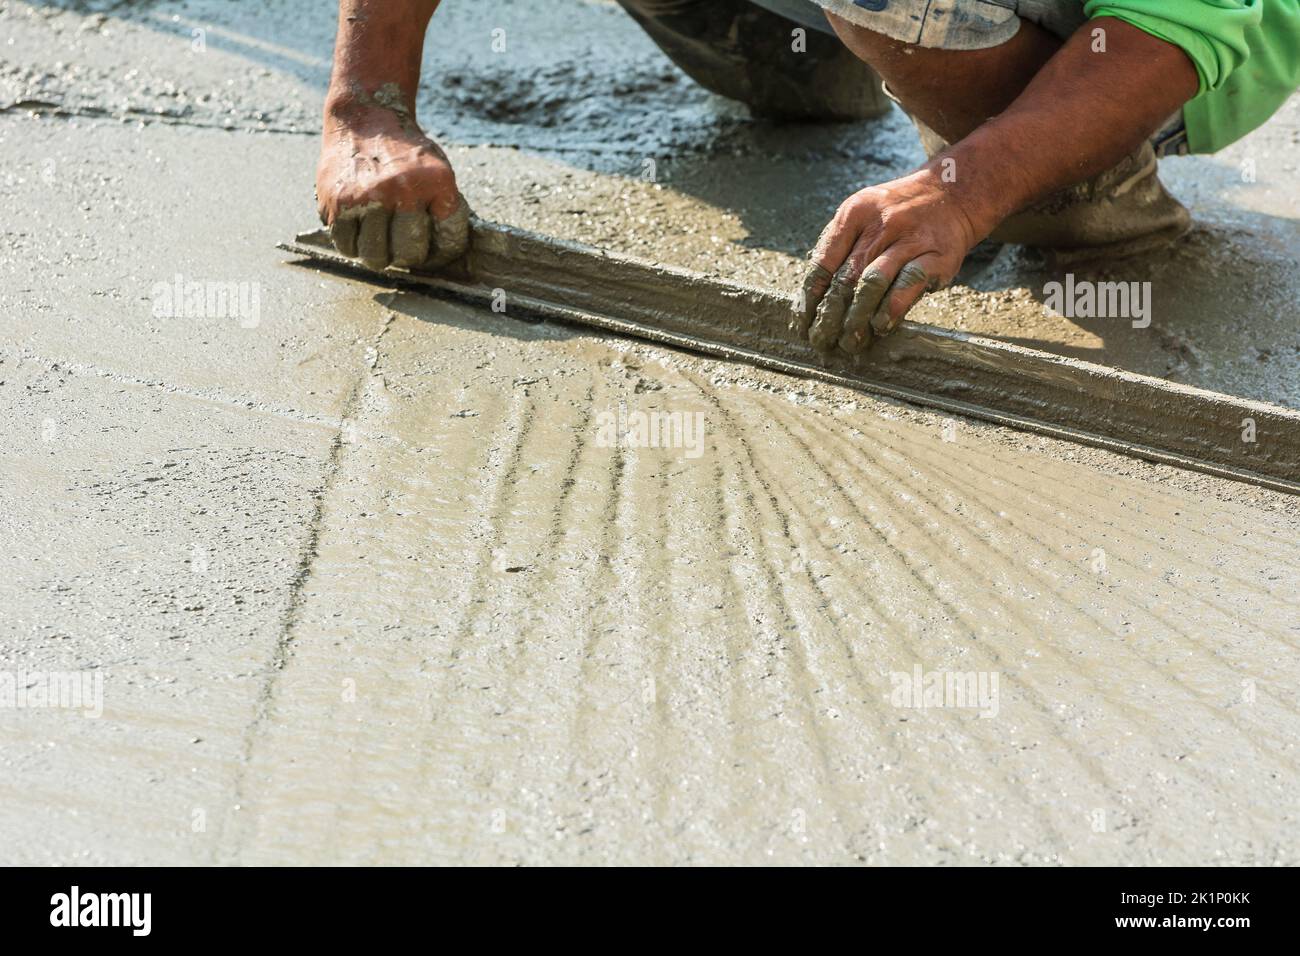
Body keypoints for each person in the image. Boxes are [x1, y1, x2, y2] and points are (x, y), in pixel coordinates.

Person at [316, 0, 1300, 354]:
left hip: (1135, 46)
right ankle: (808, 62)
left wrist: (963, 188)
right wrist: (368, 105)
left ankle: (1081, 187)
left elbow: (1180, 28)